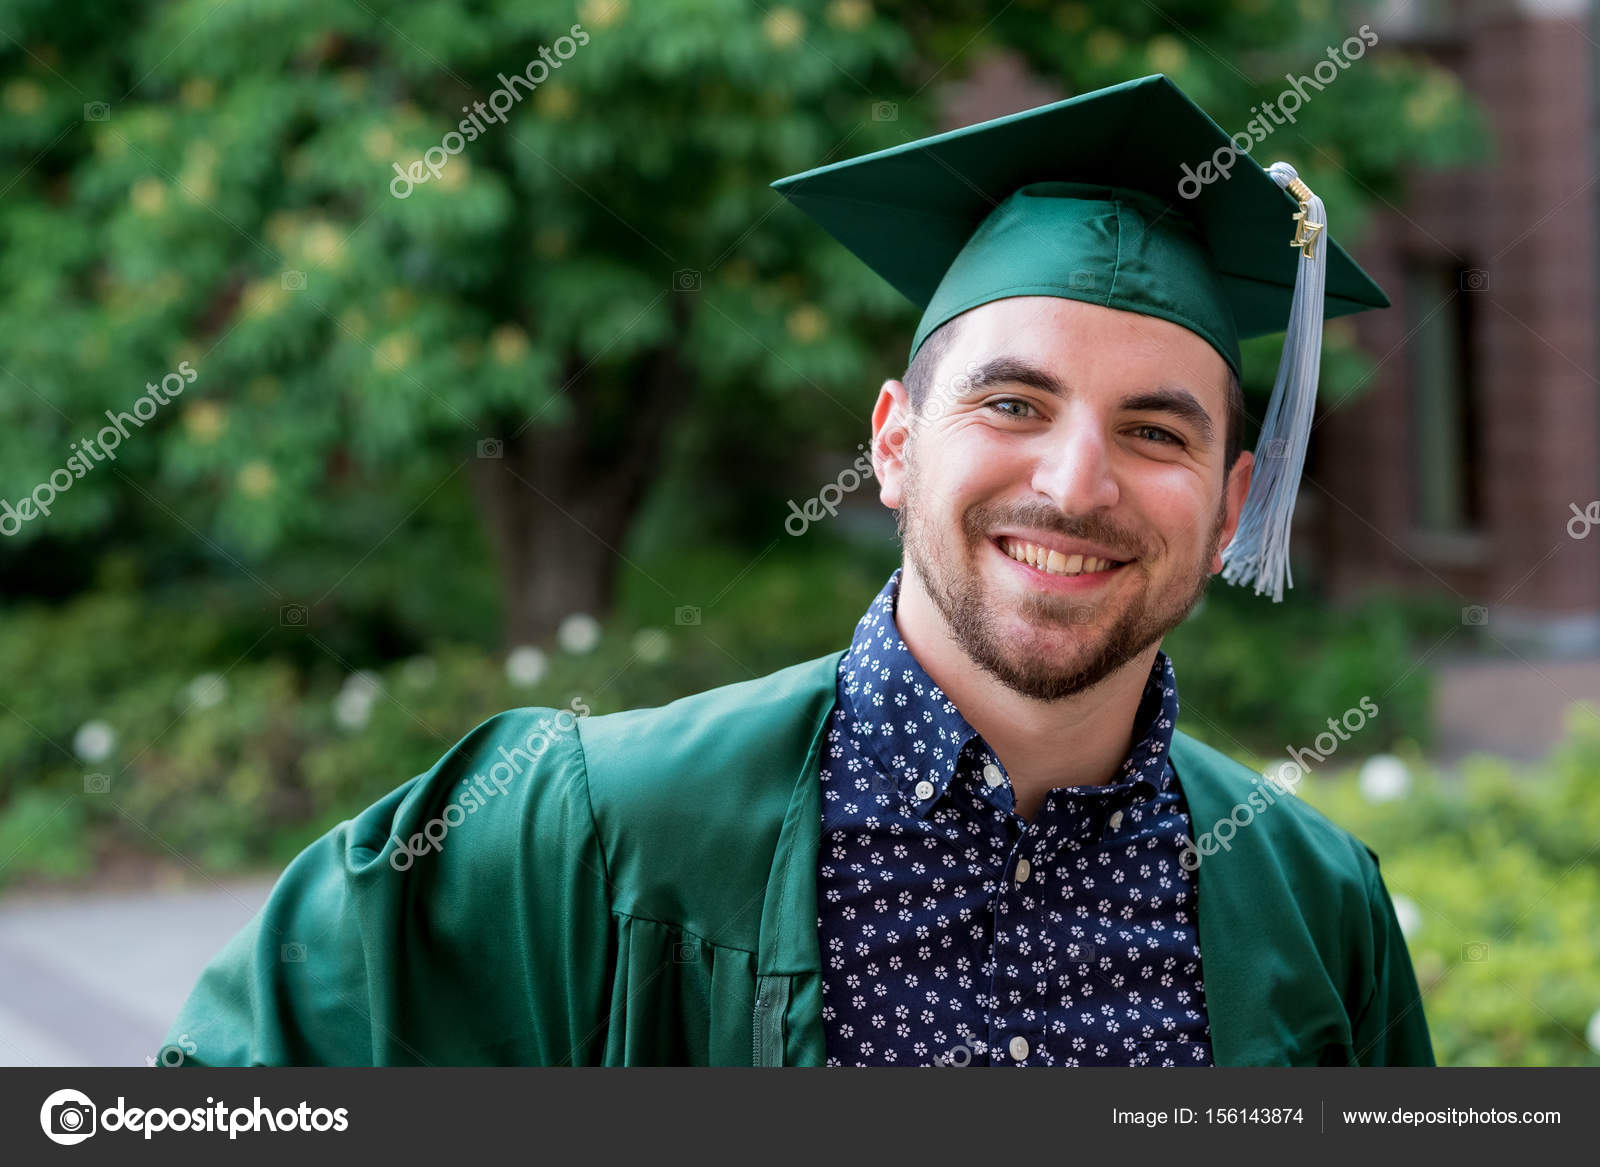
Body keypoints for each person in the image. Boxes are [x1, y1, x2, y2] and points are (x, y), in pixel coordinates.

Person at [163, 74, 1432, 1067]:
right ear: (893, 444)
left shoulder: (1312, 906)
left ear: (1232, 506)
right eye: (1012, 405)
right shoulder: (590, 831)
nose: (1075, 483)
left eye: (1154, 433)